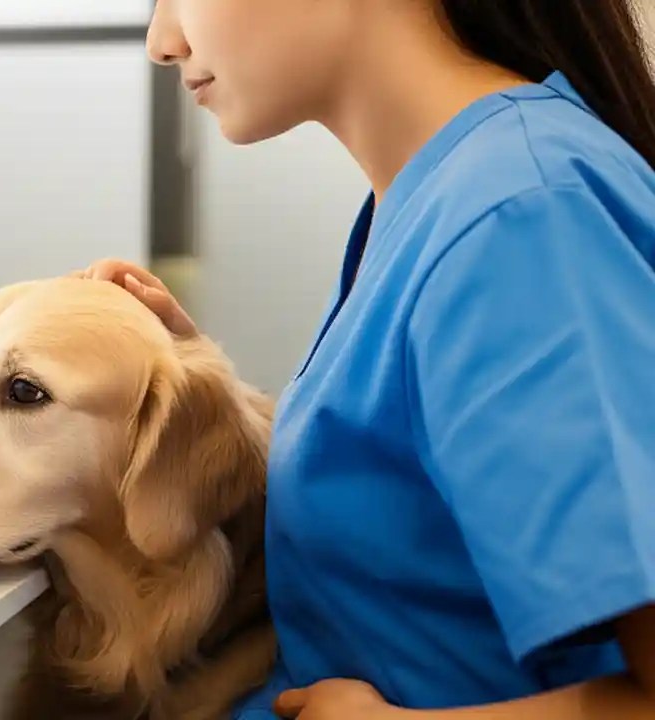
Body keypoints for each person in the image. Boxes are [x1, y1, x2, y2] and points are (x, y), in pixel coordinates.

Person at [76, 1, 655, 718]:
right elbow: (401, 501)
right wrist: (196, 392)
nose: (161, 42)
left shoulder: (518, 215)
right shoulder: (440, 196)